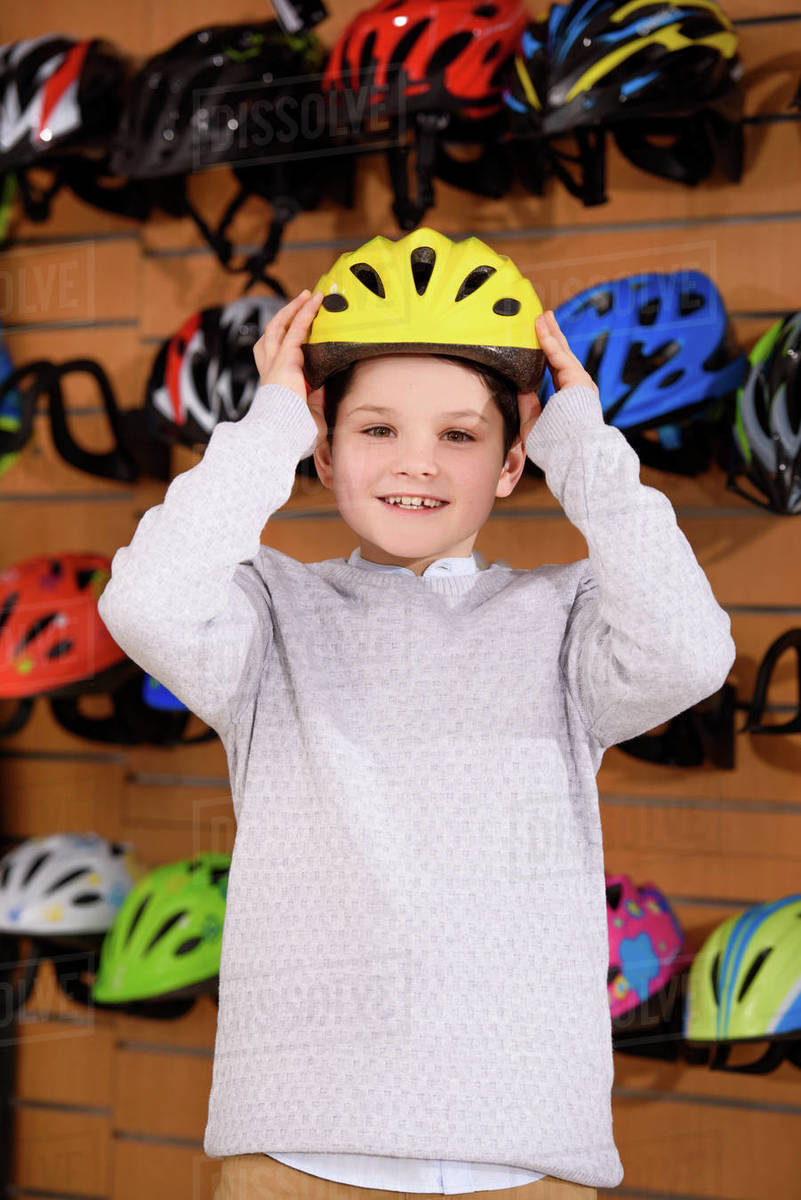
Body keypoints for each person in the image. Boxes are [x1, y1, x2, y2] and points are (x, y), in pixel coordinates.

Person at [97, 229, 736, 1200]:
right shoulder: (268, 615)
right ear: (325, 445)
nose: (419, 464)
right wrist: (267, 426)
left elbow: (693, 652)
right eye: (379, 428)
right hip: (294, 1152)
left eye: (461, 435)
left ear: (513, 462)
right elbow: (145, 601)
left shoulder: (565, 624)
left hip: (526, 1157)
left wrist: (585, 449)